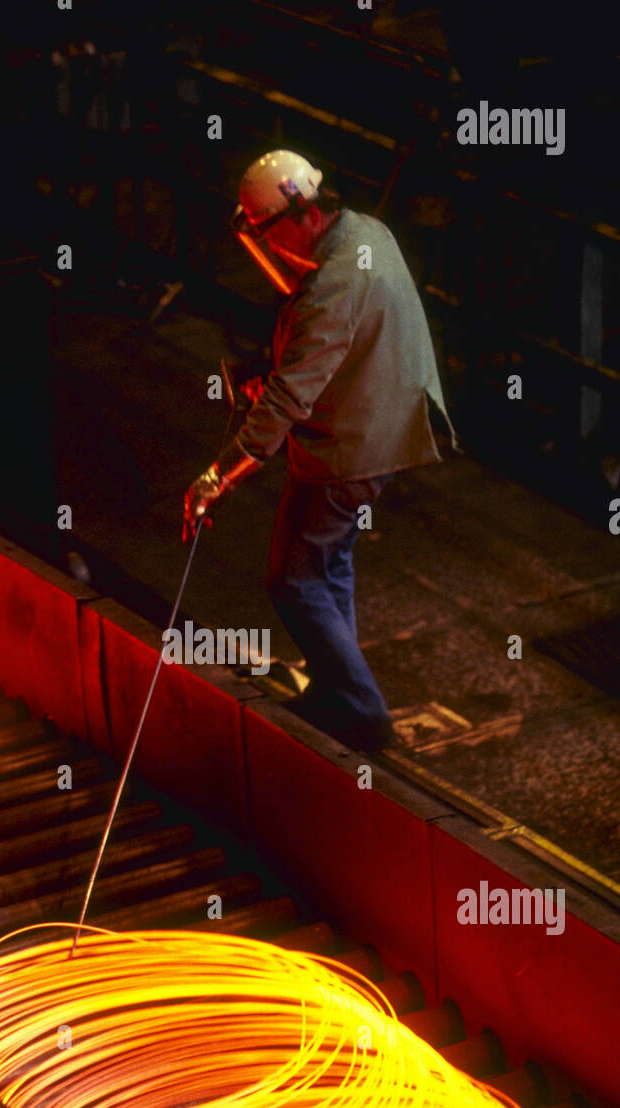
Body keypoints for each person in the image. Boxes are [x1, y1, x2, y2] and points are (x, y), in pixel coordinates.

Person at [182, 150, 457, 751]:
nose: (269, 249)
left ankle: (361, 709)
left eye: (266, 234)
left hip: (350, 453)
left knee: (293, 580)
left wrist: (214, 479)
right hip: (385, 430)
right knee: (330, 568)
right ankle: (340, 688)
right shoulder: (366, 232)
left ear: (295, 216)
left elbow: (286, 401)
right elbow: (337, 350)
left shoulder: (332, 283)